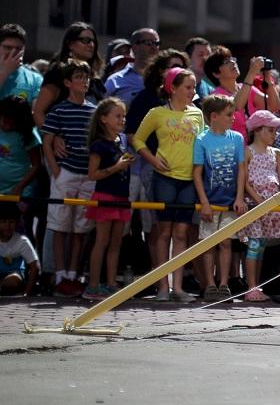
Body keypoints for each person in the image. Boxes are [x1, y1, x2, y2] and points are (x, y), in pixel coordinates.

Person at [132, 67, 204, 302]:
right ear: (173, 88)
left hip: (188, 180)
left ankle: (179, 287)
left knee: (182, 232)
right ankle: (163, 286)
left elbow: (201, 145)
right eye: (187, 87)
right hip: (164, 178)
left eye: (193, 87)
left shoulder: (197, 114)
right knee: (164, 231)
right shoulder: (156, 113)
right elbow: (137, 139)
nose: (192, 92)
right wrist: (152, 159)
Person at [40, 59, 96, 297]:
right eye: (78, 77)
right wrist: (56, 172)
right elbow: (48, 141)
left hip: (87, 175)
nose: (83, 82)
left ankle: (74, 274)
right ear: (67, 82)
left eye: (86, 77)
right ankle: (60, 273)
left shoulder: (94, 110)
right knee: (60, 225)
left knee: (80, 228)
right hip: (67, 172)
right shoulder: (59, 109)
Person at [192, 94, 247, 302]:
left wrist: (239, 197)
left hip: (229, 201)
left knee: (226, 243)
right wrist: (204, 202)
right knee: (208, 243)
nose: (233, 118)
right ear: (214, 116)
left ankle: (224, 283)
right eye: (229, 115)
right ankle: (210, 284)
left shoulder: (237, 138)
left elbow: (241, 169)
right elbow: (197, 172)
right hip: (210, 201)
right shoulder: (202, 140)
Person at [82, 98, 134, 301]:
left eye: (123, 116)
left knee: (116, 243)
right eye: (117, 116)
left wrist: (125, 163)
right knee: (101, 241)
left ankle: (111, 283)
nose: (122, 119)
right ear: (104, 119)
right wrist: (116, 167)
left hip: (121, 196)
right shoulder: (98, 145)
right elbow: (92, 174)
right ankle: (93, 285)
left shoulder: (120, 141)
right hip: (105, 195)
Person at [237, 110, 280, 302]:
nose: (275, 135)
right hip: (255, 204)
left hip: (272, 204)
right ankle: (250, 286)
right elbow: (244, 181)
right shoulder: (248, 151)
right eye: (271, 130)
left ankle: (256, 285)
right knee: (253, 244)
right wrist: (258, 201)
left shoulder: (276, 153)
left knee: (261, 247)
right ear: (258, 130)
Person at [33, 22, 106, 127]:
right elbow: (38, 113)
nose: (91, 45)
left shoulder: (96, 80)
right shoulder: (58, 72)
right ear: (70, 44)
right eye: (85, 41)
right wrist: (53, 138)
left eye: (93, 41)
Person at [205, 47, 276, 135]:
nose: (233, 62)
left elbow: (273, 106)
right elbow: (237, 105)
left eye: (232, 59)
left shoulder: (245, 87)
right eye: (226, 62)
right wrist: (251, 73)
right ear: (216, 74)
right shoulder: (216, 96)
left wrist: (268, 77)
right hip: (233, 147)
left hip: (252, 147)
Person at [0, 96, 42, 201]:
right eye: (5, 122)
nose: (8, 127)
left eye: (13, 124)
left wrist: (19, 187)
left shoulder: (28, 135)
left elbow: (36, 165)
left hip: (20, 191)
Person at [105, 28, 160, 106]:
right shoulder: (115, 81)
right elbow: (103, 111)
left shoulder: (165, 79)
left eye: (157, 43)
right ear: (134, 47)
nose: (154, 47)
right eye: (149, 43)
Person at [0, 201, 39, 296]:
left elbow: (34, 267)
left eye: (11, 222)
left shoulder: (22, 241)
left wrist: (27, 293)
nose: (7, 226)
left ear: (17, 223)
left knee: (14, 279)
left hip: (14, 276)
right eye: (3, 222)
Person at [0, 23, 42, 105]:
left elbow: (36, 113)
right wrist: (4, 73)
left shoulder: (35, 79)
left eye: (18, 48)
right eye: (8, 47)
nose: (13, 52)